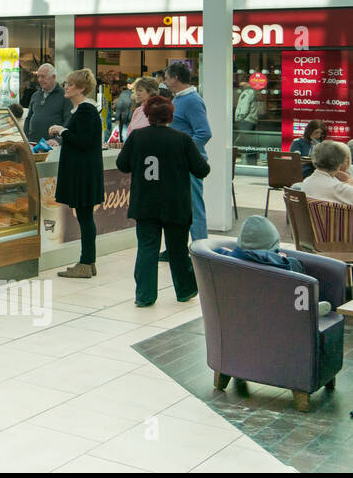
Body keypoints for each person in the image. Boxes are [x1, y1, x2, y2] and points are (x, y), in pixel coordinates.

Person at [116, 95, 209, 305]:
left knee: (147, 248)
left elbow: (122, 164)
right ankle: (185, 290)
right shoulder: (182, 139)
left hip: (145, 203)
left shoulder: (137, 137)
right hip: (176, 204)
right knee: (177, 249)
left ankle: (144, 296)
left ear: (147, 115)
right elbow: (202, 169)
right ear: (171, 115)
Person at [212, 217, 333, 316]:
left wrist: (228, 252)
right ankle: (309, 308)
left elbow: (218, 250)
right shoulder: (286, 264)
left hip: (251, 307)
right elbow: (289, 265)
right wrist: (280, 258)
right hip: (286, 307)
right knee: (300, 280)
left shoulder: (230, 260)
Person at [50, 69, 105, 279]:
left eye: (71, 84)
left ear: (81, 88)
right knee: (85, 217)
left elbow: (82, 141)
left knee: (85, 218)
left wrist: (61, 130)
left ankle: (86, 261)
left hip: (83, 174)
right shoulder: (84, 111)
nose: (67, 87)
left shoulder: (85, 111)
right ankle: (88, 261)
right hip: (85, 172)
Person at [167, 61, 211, 245]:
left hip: (188, 164)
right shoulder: (178, 98)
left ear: (176, 78)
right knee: (178, 207)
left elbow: (204, 132)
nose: (165, 82)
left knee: (194, 207)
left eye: (167, 78)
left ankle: (201, 249)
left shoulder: (192, 100)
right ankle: (176, 248)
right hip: (178, 164)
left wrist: (183, 152)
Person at [23, 63, 70, 144]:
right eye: (38, 76)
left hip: (52, 146)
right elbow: (28, 118)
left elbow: (69, 121)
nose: (40, 80)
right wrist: (26, 137)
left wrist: (58, 140)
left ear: (54, 77)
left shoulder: (65, 96)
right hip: (33, 144)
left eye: (43, 76)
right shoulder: (35, 95)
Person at [301, 140, 353, 207]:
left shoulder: (306, 182)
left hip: (312, 217)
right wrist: (350, 180)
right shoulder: (339, 189)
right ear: (340, 162)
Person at [112, 76, 133, 141]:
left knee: (126, 132)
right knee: (127, 133)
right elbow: (119, 106)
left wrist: (117, 118)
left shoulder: (124, 94)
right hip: (129, 118)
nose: (129, 85)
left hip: (127, 117)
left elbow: (119, 106)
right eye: (128, 84)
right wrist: (117, 118)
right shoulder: (125, 93)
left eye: (130, 83)